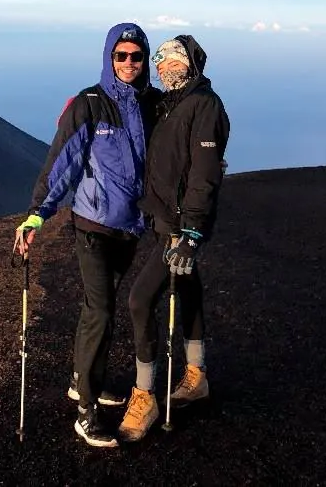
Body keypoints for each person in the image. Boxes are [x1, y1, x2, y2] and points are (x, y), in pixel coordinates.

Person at [14, 22, 162, 448]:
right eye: (121, 56)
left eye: (137, 56)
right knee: (100, 311)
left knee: (101, 306)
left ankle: (82, 381)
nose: (129, 63)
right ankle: (86, 413)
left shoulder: (151, 105)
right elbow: (62, 163)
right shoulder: (90, 105)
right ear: (108, 58)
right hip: (93, 226)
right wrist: (37, 216)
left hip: (129, 229)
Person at [117, 35, 230, 443]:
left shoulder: (204, 106)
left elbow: (204, 173)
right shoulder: (172, 104)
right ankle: (197, 375)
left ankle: (145, 393)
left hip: (182, 226)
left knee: (140, 300)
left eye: (173, 59)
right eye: (160, 60)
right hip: (168, 220)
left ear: (193, 62)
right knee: (189, 287)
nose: (165, 66)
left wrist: (191, 233)